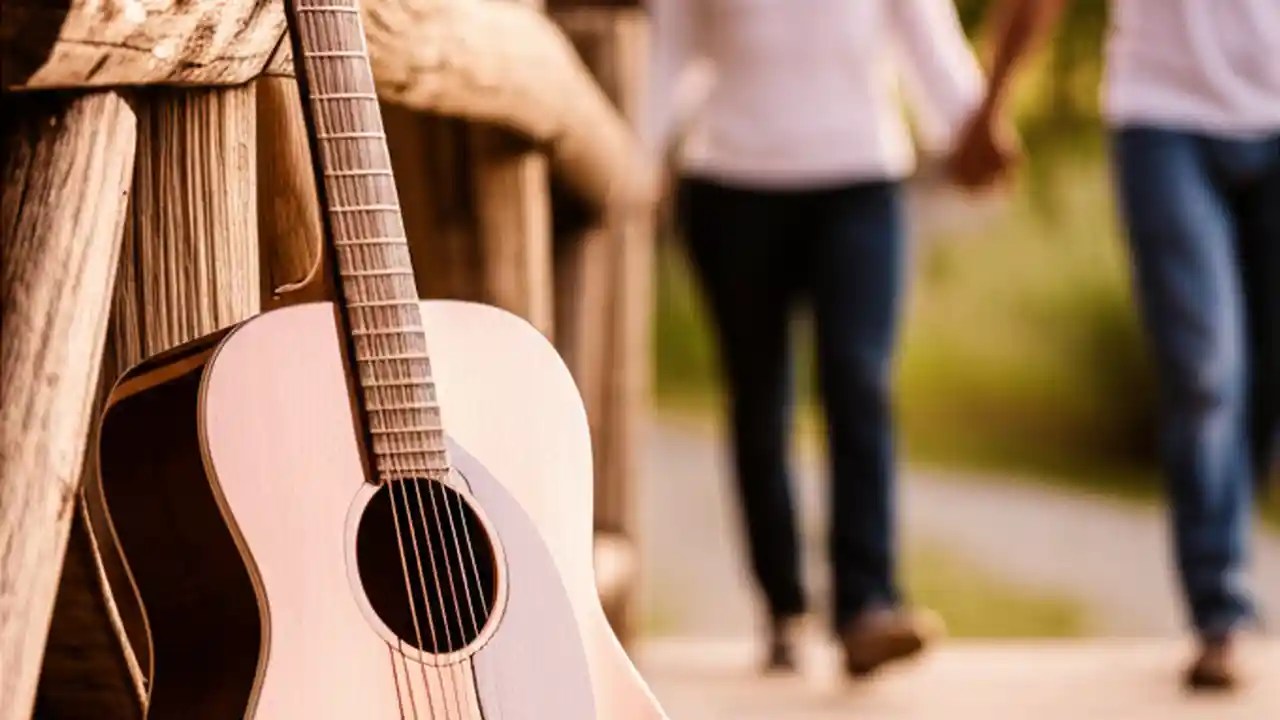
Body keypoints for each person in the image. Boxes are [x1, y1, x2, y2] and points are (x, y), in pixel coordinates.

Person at [643, 0, 1007, 677]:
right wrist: (638, 158)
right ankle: (782, 606)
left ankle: (866, 605)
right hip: (731, 181)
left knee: (859, 378)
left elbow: (926, 34)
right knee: (759, 399)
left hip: (860, 179)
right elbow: (671, 47)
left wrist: (971, 130)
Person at [952, 0, 1279, 691]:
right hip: (1162, 112)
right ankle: (1220, 608)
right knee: (1203, 366)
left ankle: (1232, 551)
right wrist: (992, 102)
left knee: (1263, 374)